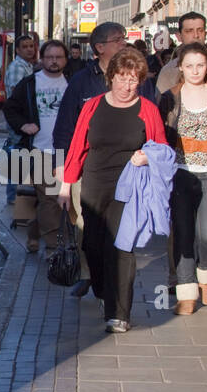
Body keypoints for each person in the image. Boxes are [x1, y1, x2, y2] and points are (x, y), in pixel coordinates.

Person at [58, 47, 167, 333]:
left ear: (140, 81)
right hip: (94, 183)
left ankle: (120, 313)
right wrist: (66, 187)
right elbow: (78, 147)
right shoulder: (93, 106)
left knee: (121, 247)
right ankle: (105, 292)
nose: (127, 86)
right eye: (122, 78)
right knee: (93, 245)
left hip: (129, 188)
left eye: (133, 80)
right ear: (111, 77)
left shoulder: (148, 110)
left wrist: (147, 156)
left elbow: (162, 148)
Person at [160, 42, 207, 314]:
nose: (195, 71)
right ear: (180, 67)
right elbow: (160, 137)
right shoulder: (170, 98)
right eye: (189, 66)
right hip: (180, 174)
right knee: (183, 233)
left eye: (200, 65)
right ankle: (187, 292)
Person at [4, 40, 69, 253]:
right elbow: (10, 108)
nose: (54, 61)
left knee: (59, 198)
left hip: (67, 150)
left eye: (58, 57)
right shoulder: (30, 83)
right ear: (41, 59)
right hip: (40, 150)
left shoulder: (72, 84)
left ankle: (34, 230)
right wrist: (24, 125)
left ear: (65, 60)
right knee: (50, 197)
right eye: (49, 57)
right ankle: (54, 247)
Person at [157, 13, 207, 94]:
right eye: (189, 31)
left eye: (200, 30)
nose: (196, 35)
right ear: (179, 36)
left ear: (205, 34)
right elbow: (162, 103)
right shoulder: (168, 71)